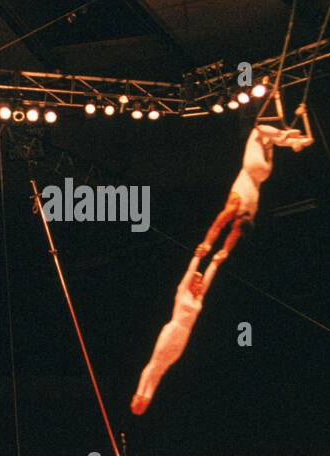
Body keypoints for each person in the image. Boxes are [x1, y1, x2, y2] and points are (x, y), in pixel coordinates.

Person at [196, 107, 315, 264]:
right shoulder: (234, 208)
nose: (234, 227)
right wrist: (207, 244)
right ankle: (286, 136)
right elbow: (217, 227)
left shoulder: (251, 215)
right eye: (236, 226)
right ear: (238, 223)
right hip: (253, 167)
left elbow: (235, 234)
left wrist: (225, 251)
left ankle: (294, 142)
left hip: (264, 174)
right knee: (257, 130)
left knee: (268, 140)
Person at [131, 252, 224, 416]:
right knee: (155, 363)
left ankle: (147, 398)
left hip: (183, 336)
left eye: (201, 282)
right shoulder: (183, 292)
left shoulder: (199, 298)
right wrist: (197, 258)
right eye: (197, 281)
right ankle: (139, 394)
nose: (200, 284)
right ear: (190, 284)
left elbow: (208, 279)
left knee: (162, 369)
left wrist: (215, 263)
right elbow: (189, 274)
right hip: (173, 329)